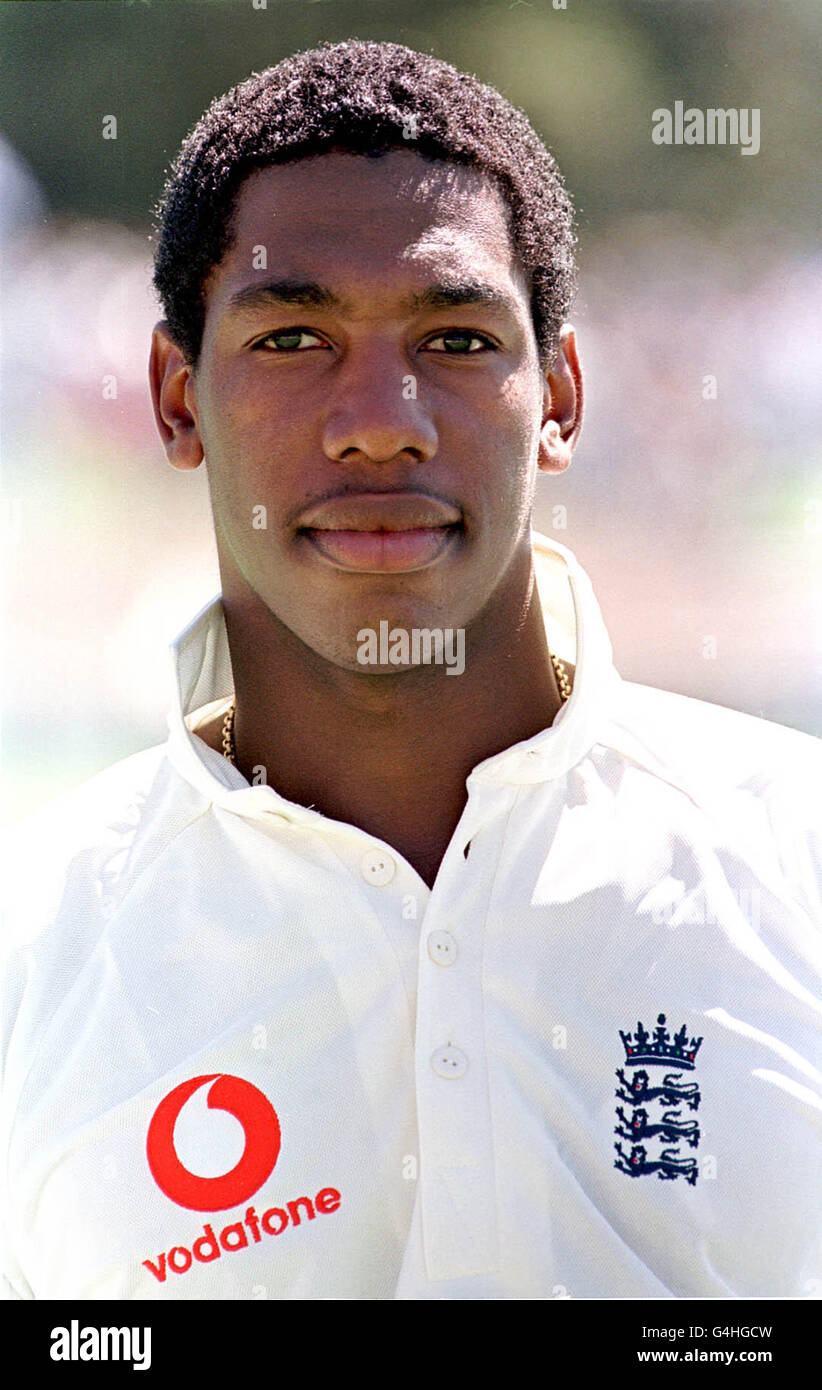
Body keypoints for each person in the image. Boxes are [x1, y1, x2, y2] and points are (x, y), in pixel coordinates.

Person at [2, 39, 820, 1302]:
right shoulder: (33, 941)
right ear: (174, 399)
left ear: (558, 398)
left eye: (452, 335)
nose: (380, 416)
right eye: (291, 339)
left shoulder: (797, 860)